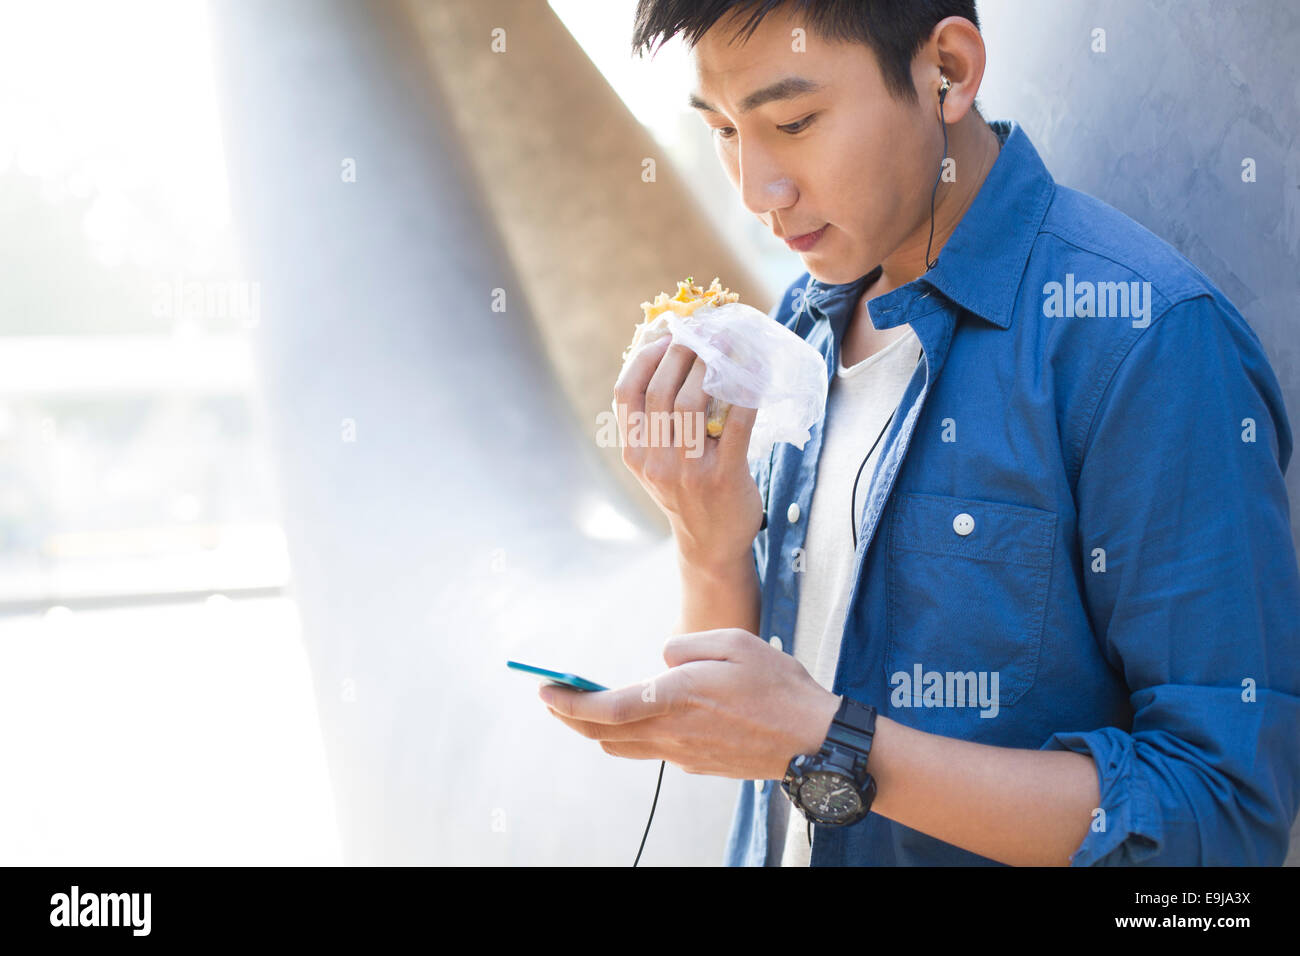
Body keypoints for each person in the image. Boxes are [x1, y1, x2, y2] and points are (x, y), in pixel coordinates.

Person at [539, 0, 1300, 865]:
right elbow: (765, 737)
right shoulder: (801, 324)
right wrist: (707, 542)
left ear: (948, 71)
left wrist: (836, 744)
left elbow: (1224, 817)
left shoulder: (1142, 342)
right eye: (721, 131)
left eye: (793, 122)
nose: (757, 192)